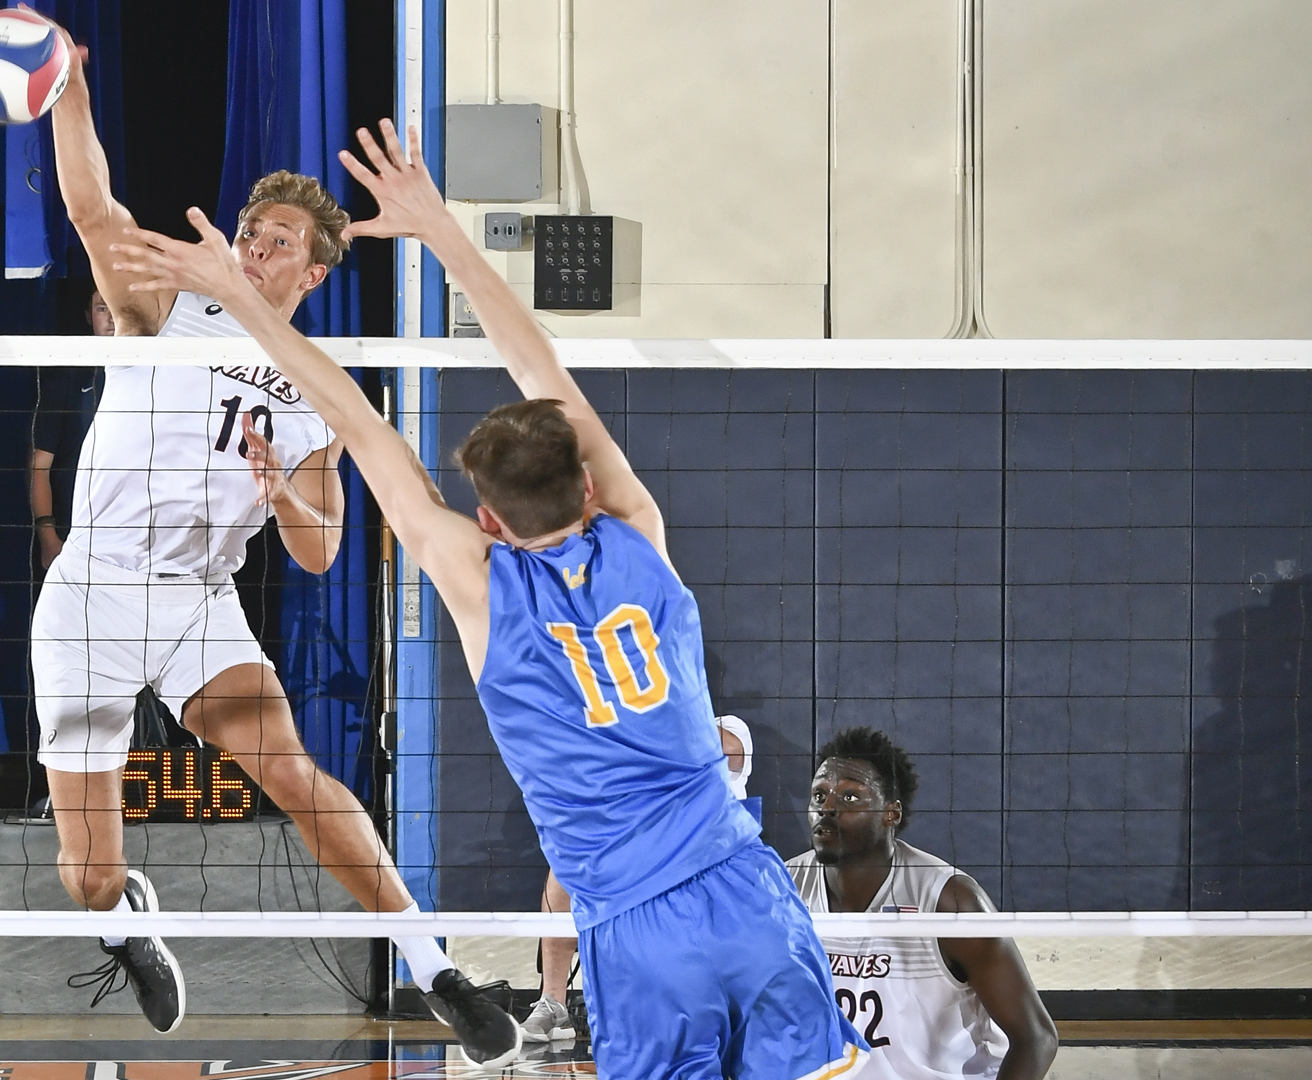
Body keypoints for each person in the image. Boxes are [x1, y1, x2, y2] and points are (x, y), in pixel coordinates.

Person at [107, 118, 865, 1078]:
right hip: (747, 889)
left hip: (633, 928)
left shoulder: (480, 587)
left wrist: (236, 298)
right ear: (588, 486)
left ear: (491, 522)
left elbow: (342, 405)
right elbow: (540, 368)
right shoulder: (639, 536)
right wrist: (441, 229)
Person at [30, 24, 516, 1059]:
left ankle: (437, 970)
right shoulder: (168, 307)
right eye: (250, 228)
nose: (253, 245)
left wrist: (280, 492)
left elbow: (318, 551)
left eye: (277, 239)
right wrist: (67, 88)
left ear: (315, 269)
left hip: (202, 600)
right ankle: (124, 921)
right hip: (91, 595)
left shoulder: (316, 384)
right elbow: (90, 208)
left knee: (294, 775)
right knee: (85, 871)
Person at [786, 728, 1058, 1080]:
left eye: (850, 798)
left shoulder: (951, 900)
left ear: (891, 813)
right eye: (819, 795)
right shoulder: (782, 888)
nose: (827, 808)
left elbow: (1036, 1037)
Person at [522, 715, 756, 1044]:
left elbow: (732, 752)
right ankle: (554, 1003)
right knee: (566, 864)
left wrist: (655, 723)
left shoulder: (723, 724)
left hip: (710, 859)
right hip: (640, 849)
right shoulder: (617, 732)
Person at [28, 290, 112, 571]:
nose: (111, 318)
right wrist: (49, 537)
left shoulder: (154, 374)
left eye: (117, 306)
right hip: (73, 533)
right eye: (102, 308)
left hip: (131, 535)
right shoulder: (67, 378)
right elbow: (39, 467)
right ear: (89, 315)